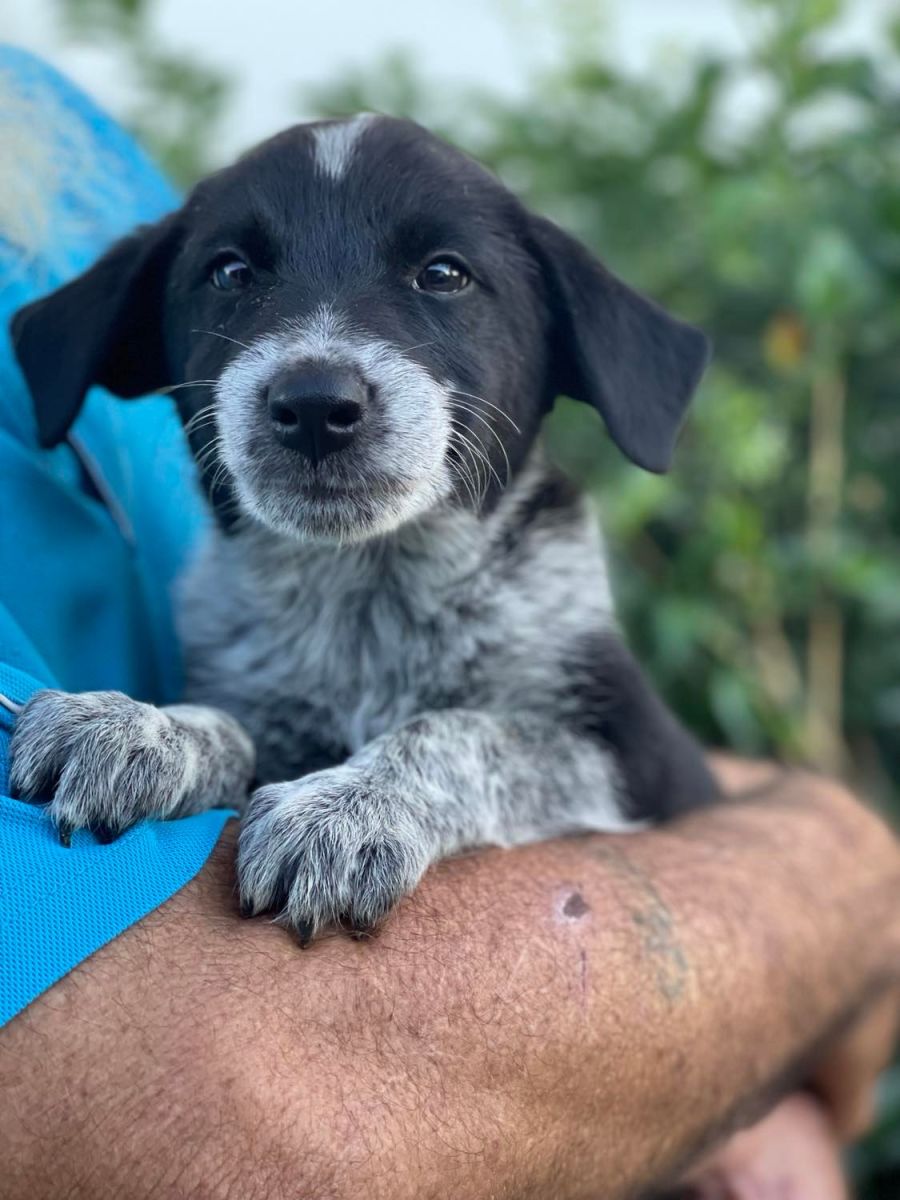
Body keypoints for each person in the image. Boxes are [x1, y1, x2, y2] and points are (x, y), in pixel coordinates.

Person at [1, 47, 897, 1200]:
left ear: (561, 349)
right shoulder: (222, 616)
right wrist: (201, 741)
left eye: (438, 274)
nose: (318, 373)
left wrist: (428, 775)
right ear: (150, 343)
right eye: (233, 275)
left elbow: (627, 774)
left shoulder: (62, 142)